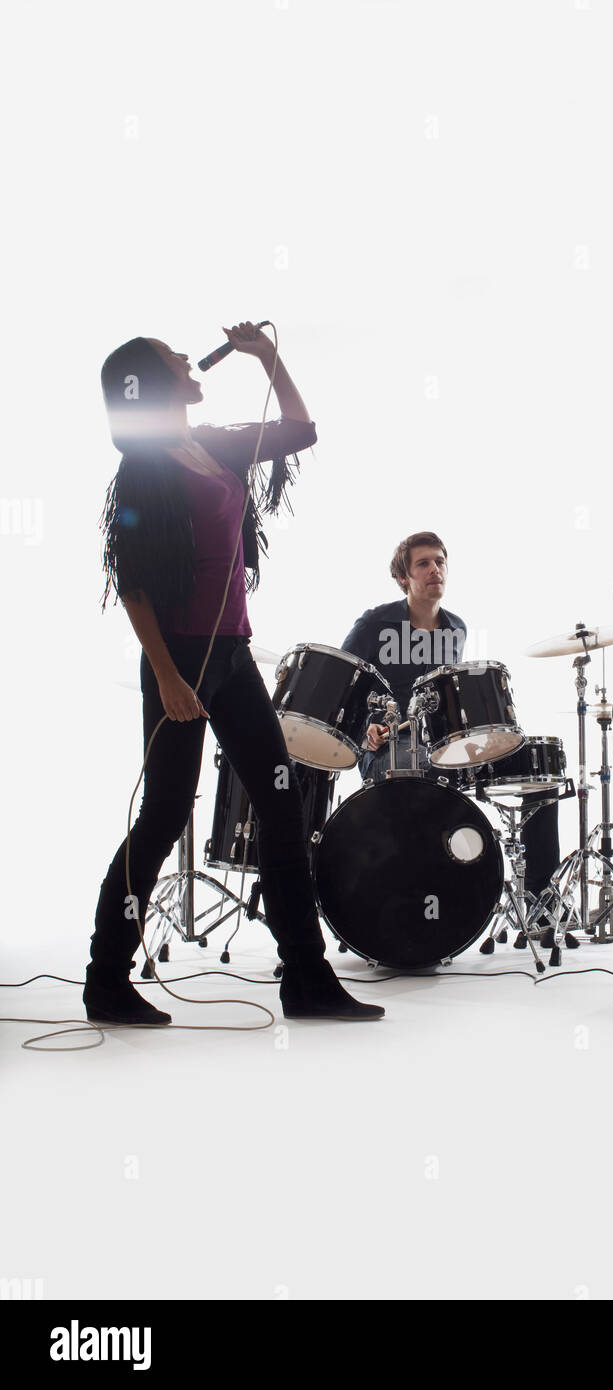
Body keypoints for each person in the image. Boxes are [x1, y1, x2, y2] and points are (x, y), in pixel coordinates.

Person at [87, 322, 383, 1025]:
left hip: (231, 653)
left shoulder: (214, 442)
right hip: (180, 658)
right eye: (173, 358)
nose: (190, 360)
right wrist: (165, 676)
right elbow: (132, 583)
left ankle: (306, 979)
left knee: (282, 807)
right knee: (163, 813)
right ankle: (106, 979)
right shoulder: (144, 467)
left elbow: (300, 430)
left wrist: (268, 356)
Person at [341, 532, 560, 898]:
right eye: (423, 564)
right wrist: (367, 729)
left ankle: (538, 898)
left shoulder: (456, 627)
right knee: (428, 768)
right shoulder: (373, 624)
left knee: (540, 767)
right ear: (403, 578)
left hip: (444, 745)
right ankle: (420, 884)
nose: (434, 570)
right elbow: (343, 687)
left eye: (440, 561)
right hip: (385, 746)